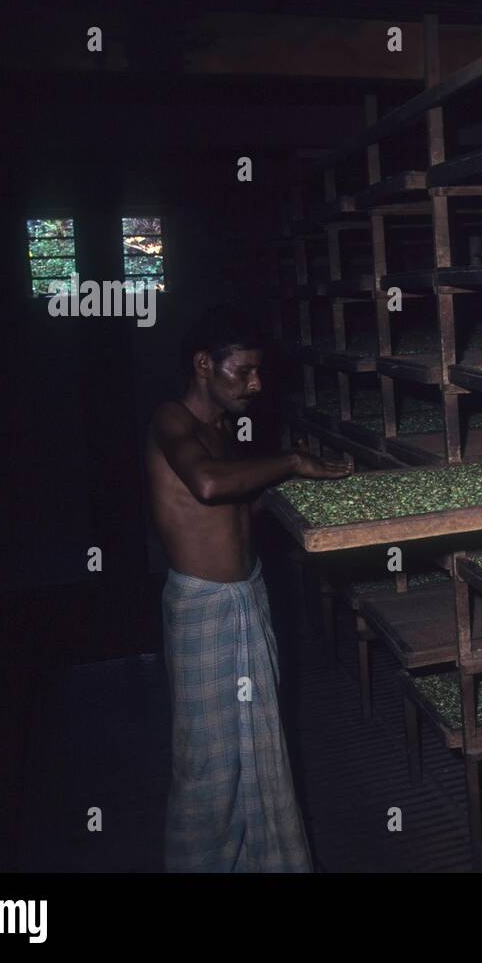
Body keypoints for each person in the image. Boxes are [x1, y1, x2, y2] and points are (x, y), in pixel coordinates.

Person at [145, 304, 349, 871]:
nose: (256, 384)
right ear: (203, 364)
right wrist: (291, 462)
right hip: (203, 607)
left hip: (246, 596)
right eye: (244, 371)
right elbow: (208, 486)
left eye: (258, 372)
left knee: (259, 748)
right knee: (207, 765)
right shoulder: (171, 420)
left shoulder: (222, 430)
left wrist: (302, 497)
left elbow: (236, 510)